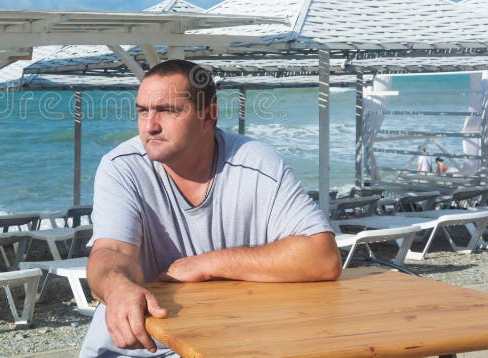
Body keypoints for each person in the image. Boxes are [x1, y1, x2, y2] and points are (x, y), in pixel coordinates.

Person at [82, 60, 341, 357]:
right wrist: (117, 287)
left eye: (168, 110)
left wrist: (206, 264)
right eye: (143, 111)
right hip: (135, 348)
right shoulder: (122, 167)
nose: (150, 125)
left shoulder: (256, 163)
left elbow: (322, 258)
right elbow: (112, 252)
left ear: (209, 115)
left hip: (227, 343)